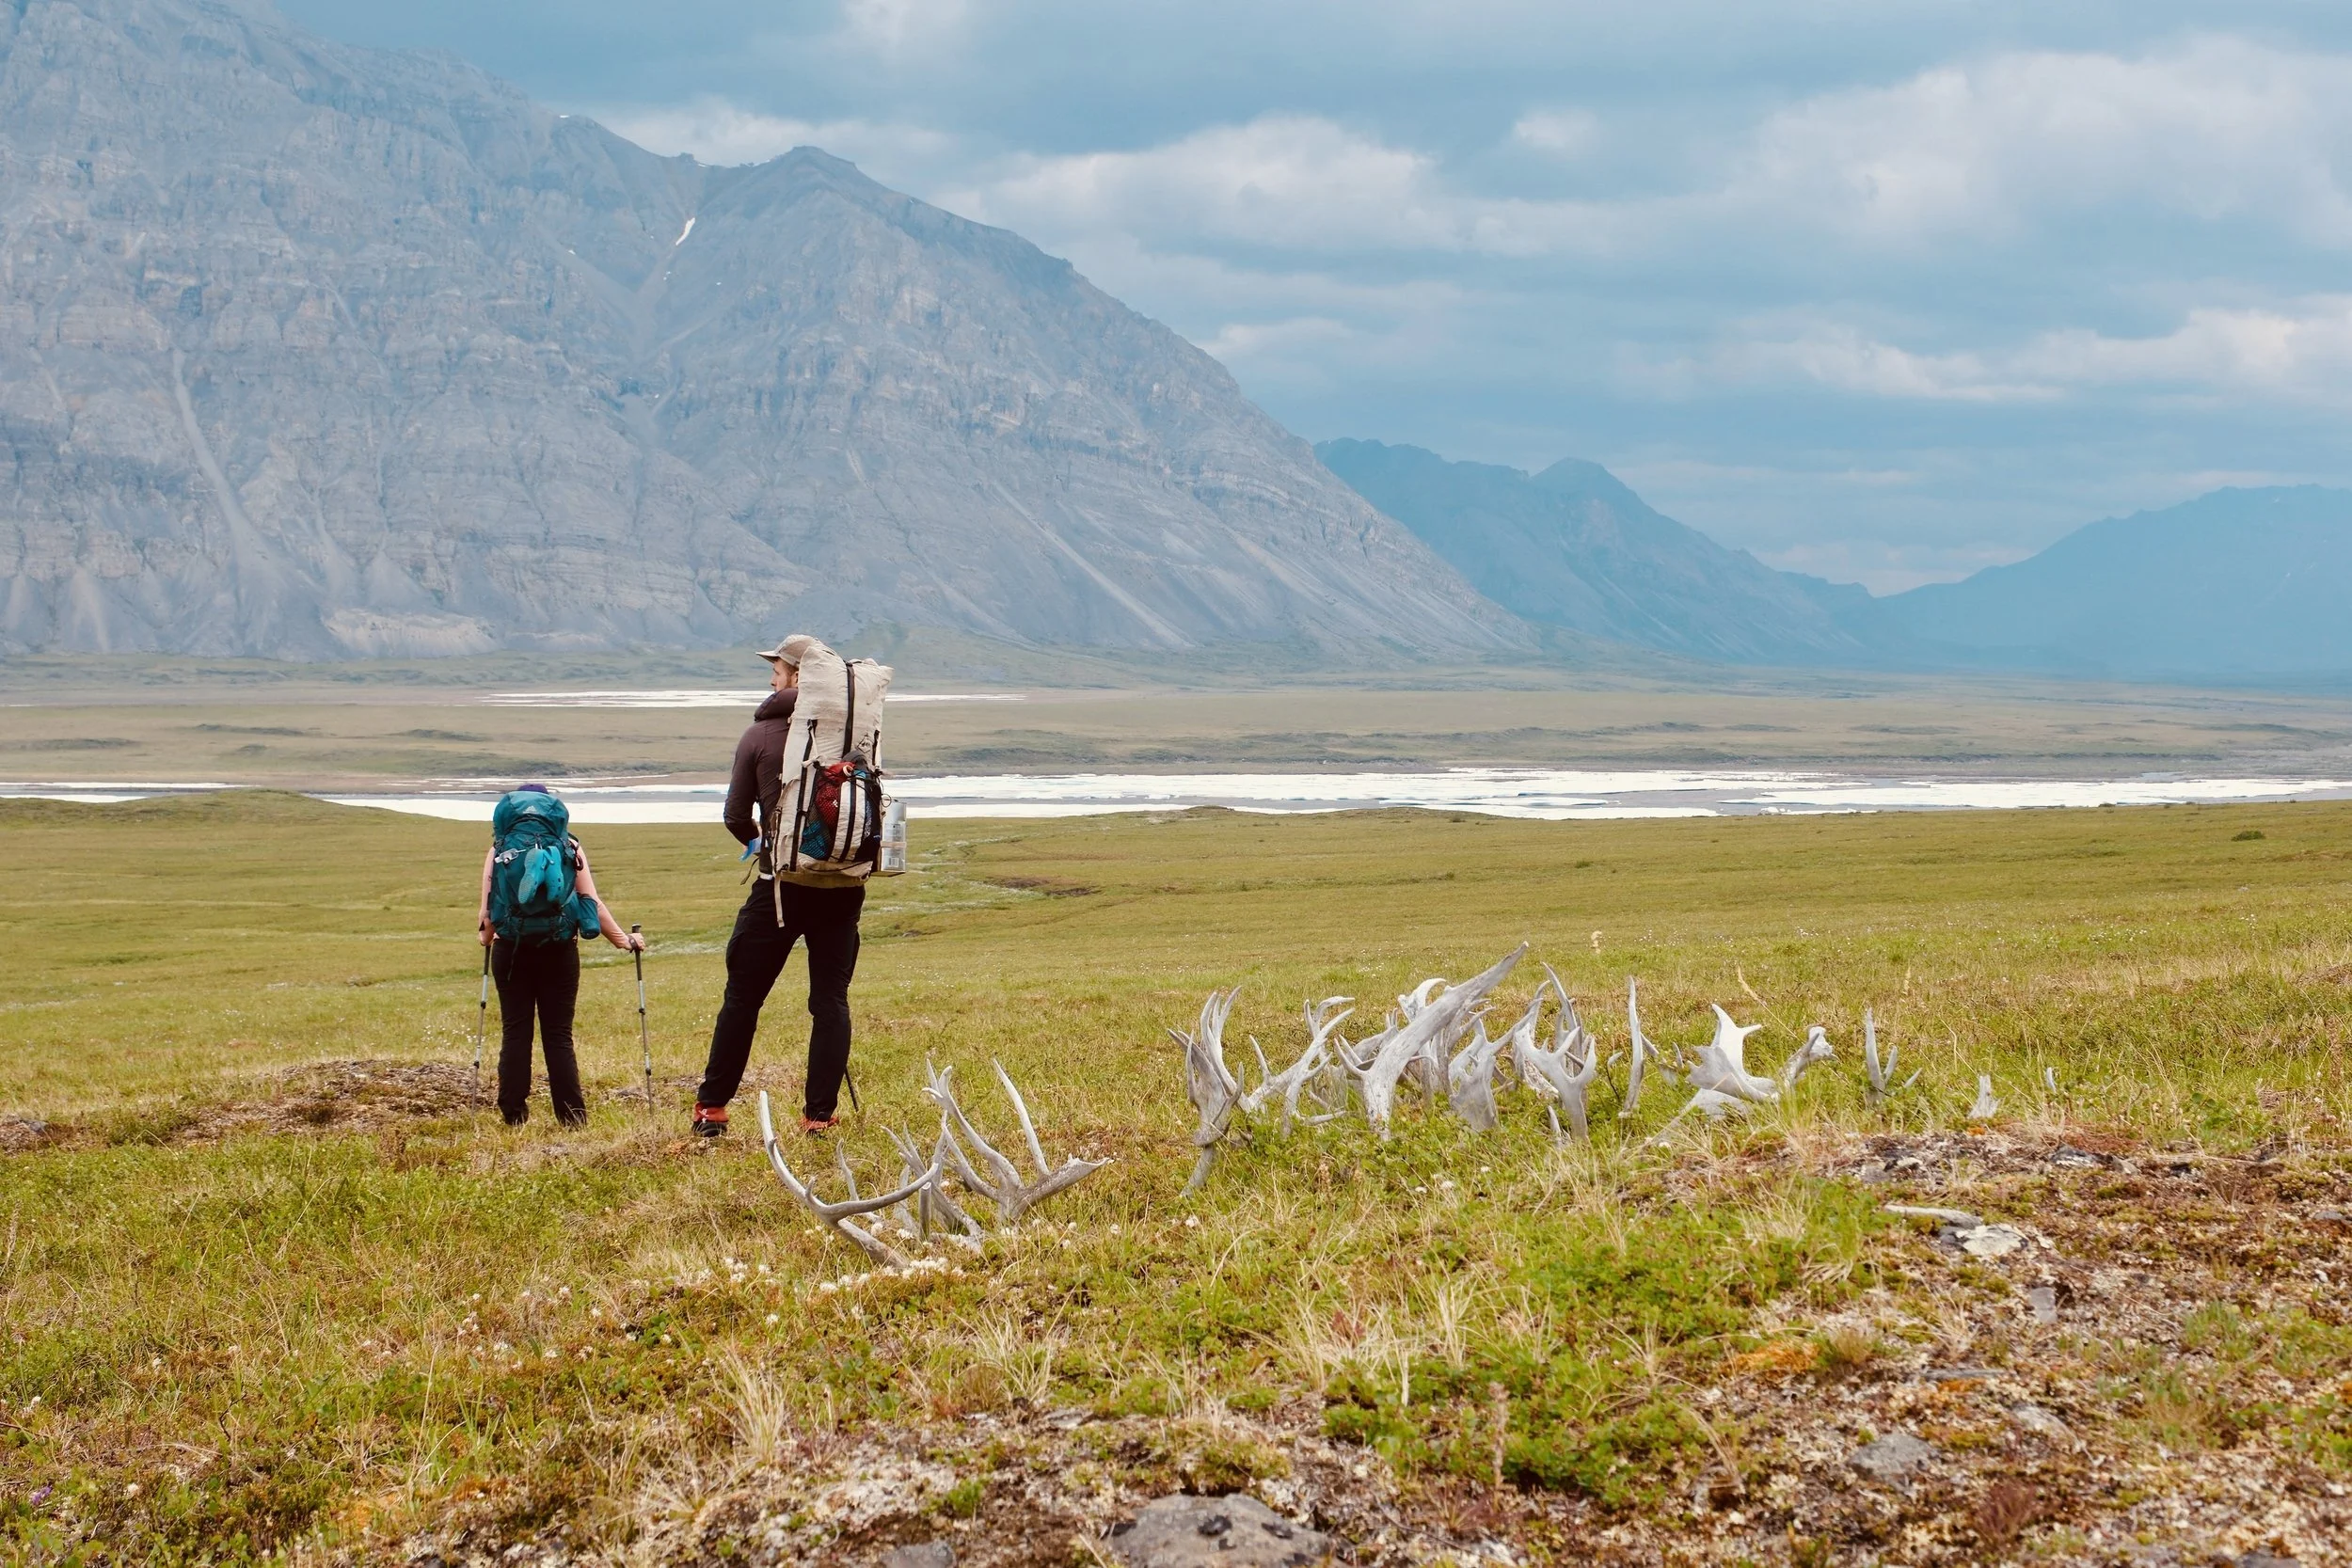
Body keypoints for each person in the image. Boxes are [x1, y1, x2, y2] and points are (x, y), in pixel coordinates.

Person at [691, 638, 868, 1138]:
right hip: (842, 887)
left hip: (779, 887)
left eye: (777, 669)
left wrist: (759, 844)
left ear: (796, 676)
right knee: (830, 1001)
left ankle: (713, 1110)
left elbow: (734, 815)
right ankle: (819, 1117)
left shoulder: (761, 734)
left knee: (743, 999)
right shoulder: (854, 734)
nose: (772, 678)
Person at [476, 783, 644, 1127]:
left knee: (515, 1031)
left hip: (512, 949)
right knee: (558, 1035)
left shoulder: (499, 849)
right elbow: (591, 903)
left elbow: (487, 917)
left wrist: (488, 938)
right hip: (560, 949)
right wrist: (624, 941)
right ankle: (572, 1118)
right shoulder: (569, 846)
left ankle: (513, 1114)